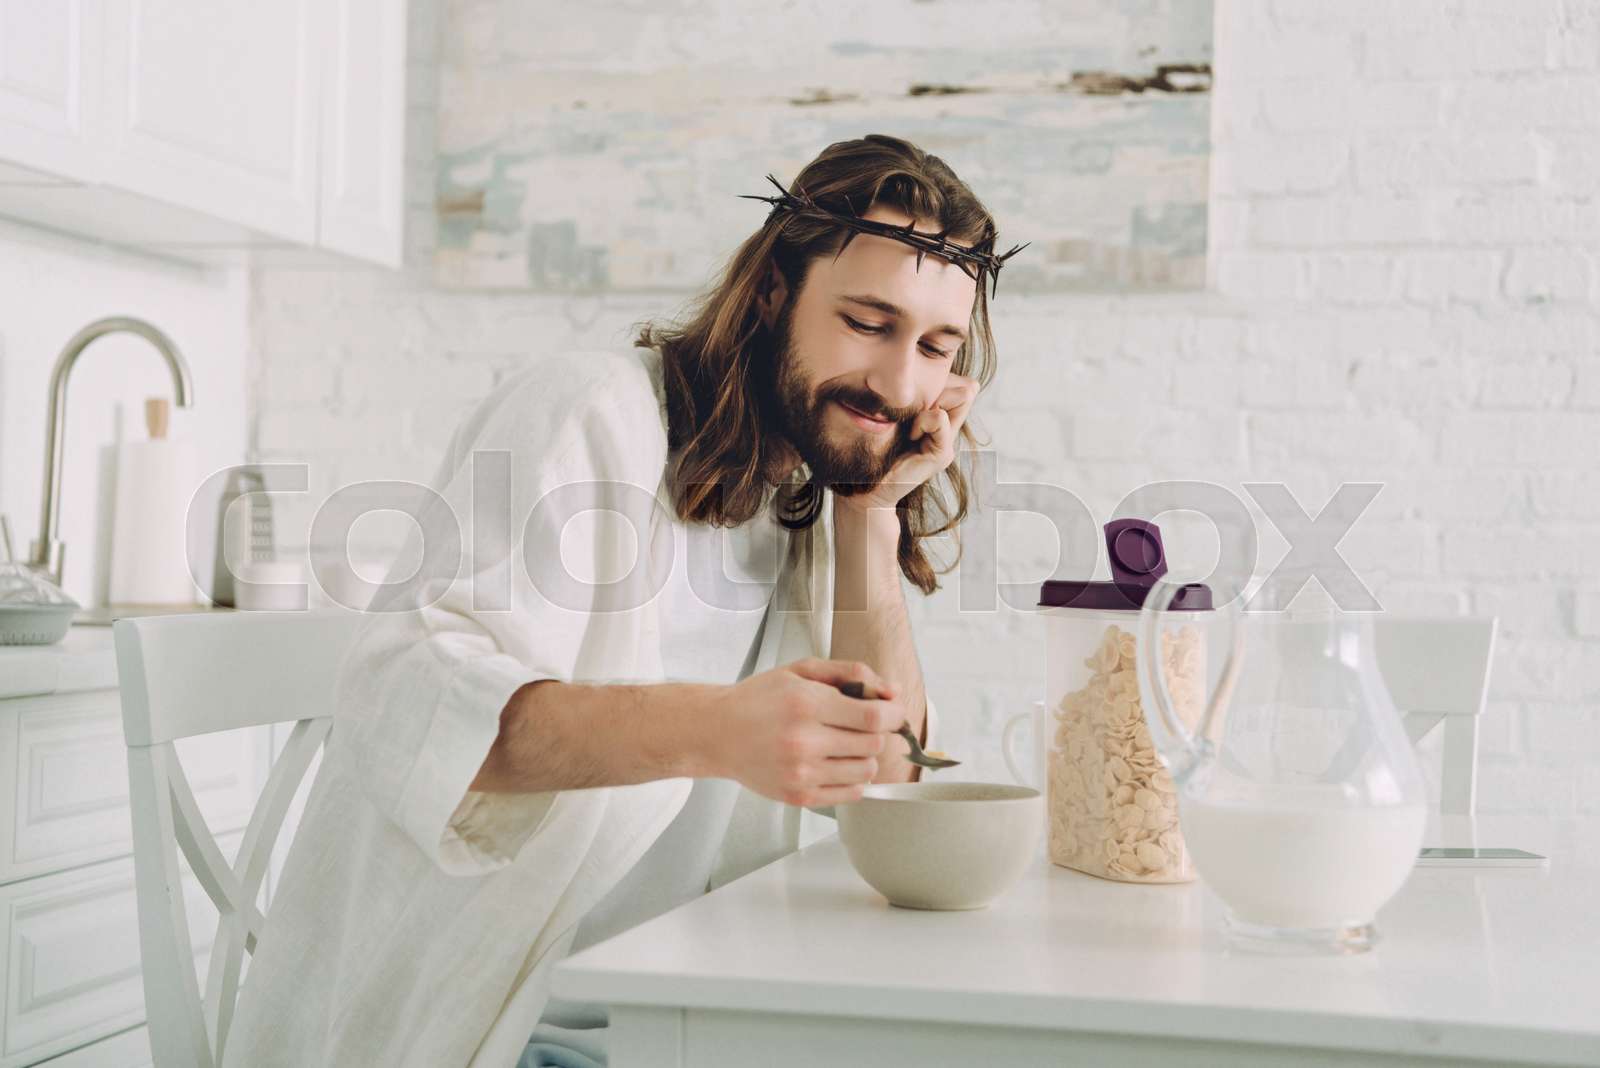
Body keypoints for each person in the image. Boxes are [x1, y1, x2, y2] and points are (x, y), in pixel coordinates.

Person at [221, 133, 1022, 1068]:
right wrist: (717, 729)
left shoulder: (807, 495)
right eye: (867, 322)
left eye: (936, 346)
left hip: (678, 1017)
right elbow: (405, 702)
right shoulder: (590, 411)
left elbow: (892, 782)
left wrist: (869, 517)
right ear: (772, 294)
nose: (900, 383)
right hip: (496, 1024)